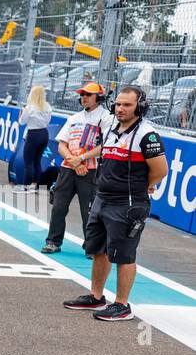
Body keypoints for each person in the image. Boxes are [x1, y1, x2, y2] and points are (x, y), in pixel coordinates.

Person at [63, 86, 168, 322]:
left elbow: (161, 170)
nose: (120, 108)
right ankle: (96, 296)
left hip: (128, 203)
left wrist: (142, 186)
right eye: (118, 104)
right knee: (98, 249)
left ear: (139, 107)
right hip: (103, 197)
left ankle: (122, 305)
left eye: (127, 105)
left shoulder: (147, 134)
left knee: (123, 254)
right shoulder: (111, 127)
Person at [44, 83, 111, 253]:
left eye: (88, 94)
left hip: (91, 171)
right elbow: (61, 144)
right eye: (82, 94)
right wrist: (73, 161)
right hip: (68, 168)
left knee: (89, 212)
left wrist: (81, 159)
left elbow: (105, 145)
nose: (84, 98)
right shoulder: (74, 118)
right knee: (58, 207)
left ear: (99, 97)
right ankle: (53, 241)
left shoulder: (106, 117)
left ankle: (91, 246)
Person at [17, 84, 53, 191]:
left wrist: (20, 115)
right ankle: (35, 185)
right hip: (44, 133)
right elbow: (48, 121)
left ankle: (25, 186)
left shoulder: (30, 108)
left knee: (28, 162)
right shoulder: (47, 107)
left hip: (33, 134)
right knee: (37, 161)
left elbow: (22, 122)